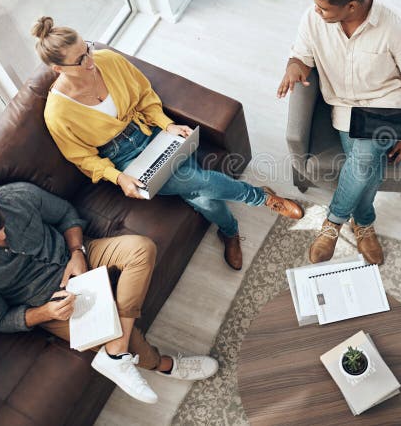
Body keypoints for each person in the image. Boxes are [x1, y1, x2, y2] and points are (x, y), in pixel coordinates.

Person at [33, 17, 304, 271]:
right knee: (194, 183)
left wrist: (167, 125)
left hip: (150, 131)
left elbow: (144, 95)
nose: (90, 60)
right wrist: (119, 178)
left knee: (197, 189)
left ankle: (231, 229)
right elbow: (83, 158)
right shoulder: (57, 113)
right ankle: (261, 200)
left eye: (88, 49)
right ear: (58, 69)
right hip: (124, 159)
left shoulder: (108, 61)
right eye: (80, 60)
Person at [0, 182, 215, 404]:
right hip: (53, 303)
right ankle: (166, 365)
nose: (4, 238)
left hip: (78, 255)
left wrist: (76, 252)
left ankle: (114, 355)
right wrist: (45, 313)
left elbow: (65, 215)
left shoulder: (15, 195)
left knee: (141, 248)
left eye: (2, 229)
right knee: (122, 333)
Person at [277, 0, 401, 265]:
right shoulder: (313, 19)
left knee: (362, 161)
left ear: (351, 6)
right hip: (345, 109)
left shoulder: (396, 29)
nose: (317, 12)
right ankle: (363, 222)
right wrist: (293, 69)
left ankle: (332, 224)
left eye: (324, 8)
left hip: (385, 105)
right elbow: (300, 55)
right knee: (367, 167)